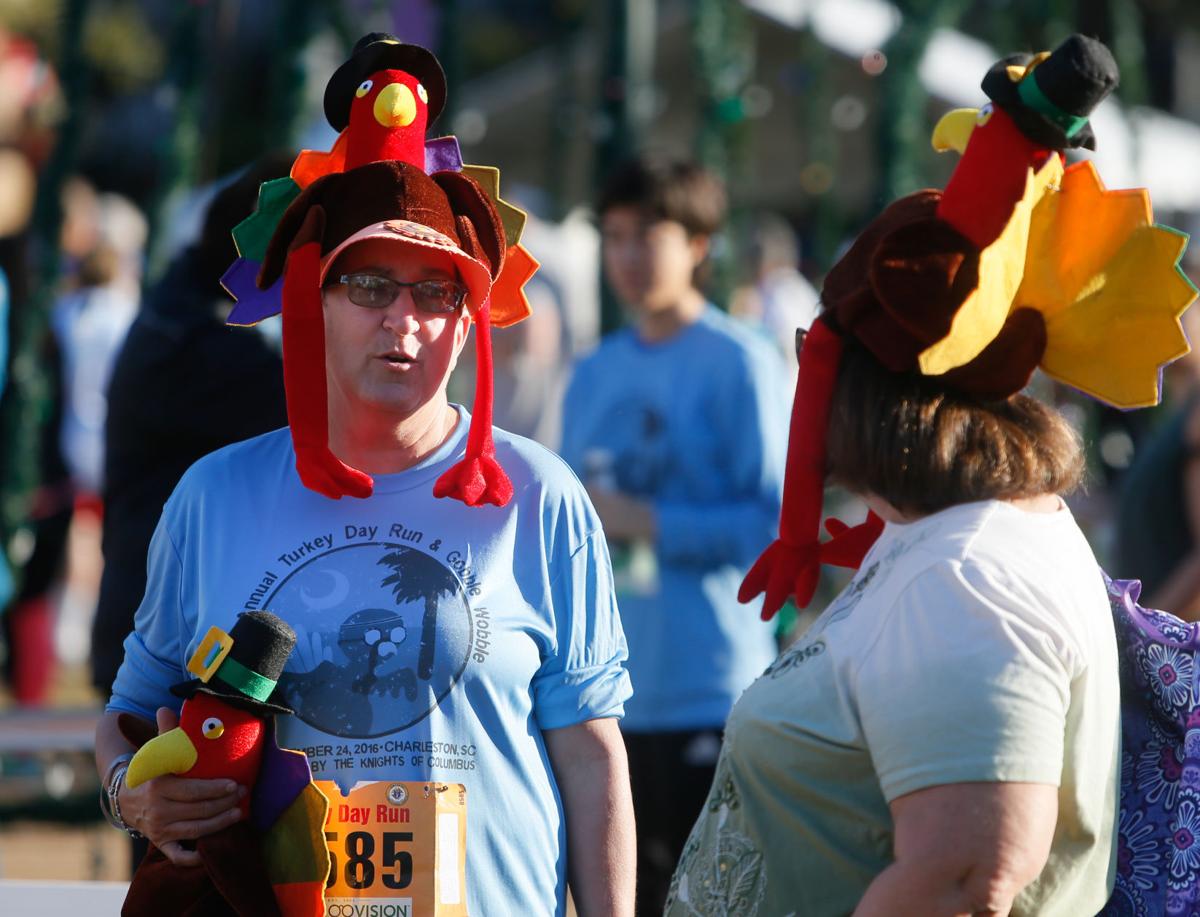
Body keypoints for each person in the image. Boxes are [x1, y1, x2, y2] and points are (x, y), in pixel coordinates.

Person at [94, 34, 633, 916]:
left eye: (437, 291)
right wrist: (132, 794)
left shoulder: (542, 497)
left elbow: (590, 750)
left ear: (469, 318)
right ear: (312, 300)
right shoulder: (214, 495)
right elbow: (127, 713)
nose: (407, 323)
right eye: (372, 286)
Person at [666, 34, 1188, 916]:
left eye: (815, 353)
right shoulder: (955, 539)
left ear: (868, 389)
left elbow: (964, 875)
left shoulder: (968, 574)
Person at [559, 156, 786, 914]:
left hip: (711, 684)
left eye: (645, 235)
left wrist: (649, 521)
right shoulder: (592, 370)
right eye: (613, 236)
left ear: (698, 244)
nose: (624, 256)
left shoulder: (741, 361)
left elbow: (775, 526)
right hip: (608, 695)